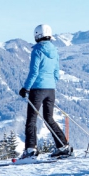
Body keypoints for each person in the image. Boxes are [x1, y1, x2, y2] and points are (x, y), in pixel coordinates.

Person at [18, 24, 71, 159]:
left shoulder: (37, 51)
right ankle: (63, 146)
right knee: (49, 118)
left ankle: (30, 150)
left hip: (37, 89)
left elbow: (34, 71)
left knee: (32, 119)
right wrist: (51, 83)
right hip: (51, 89)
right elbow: (56, 73)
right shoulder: (55, 51)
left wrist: (26, 88)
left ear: (37, 35)